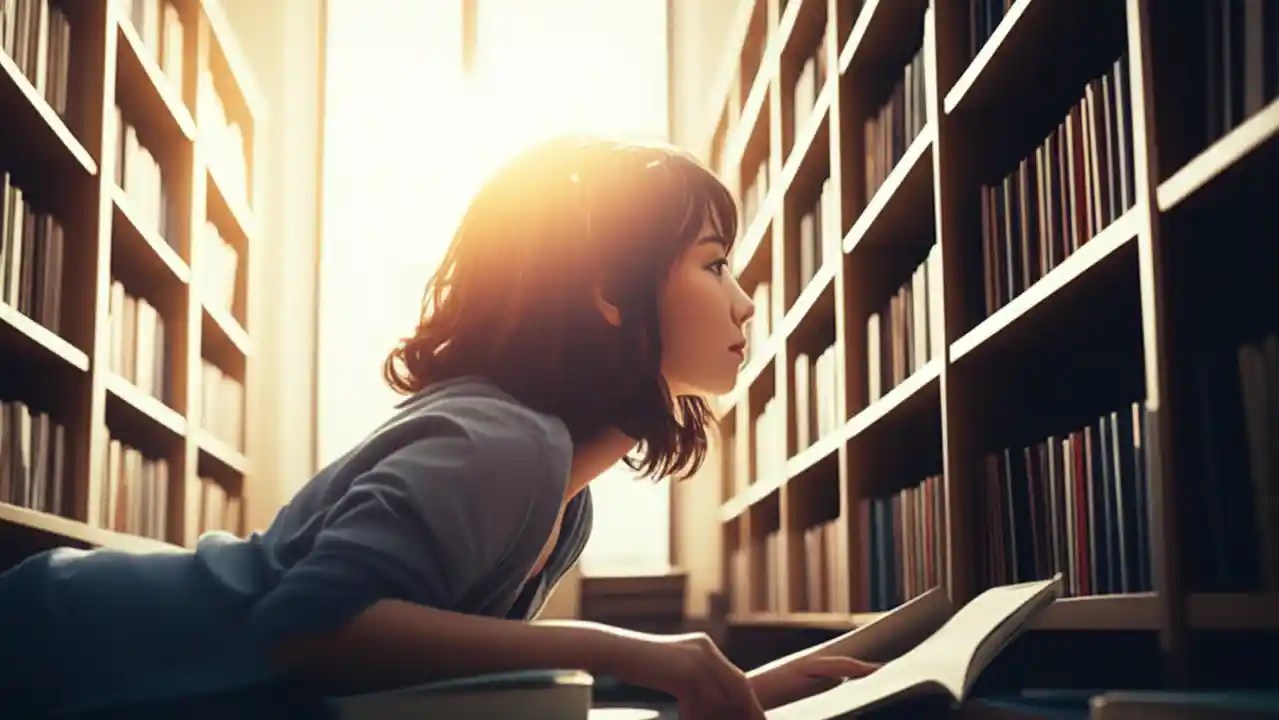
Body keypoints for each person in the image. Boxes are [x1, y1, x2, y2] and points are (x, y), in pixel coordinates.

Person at [0, 137, 875, 719]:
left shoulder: (564, 498)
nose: (745, 299)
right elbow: (310, 629)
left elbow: (448, 683)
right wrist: (640, 653)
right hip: (62, 645)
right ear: (610, 292)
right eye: (716, 265)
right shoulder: (506, 443)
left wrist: (735, 688)